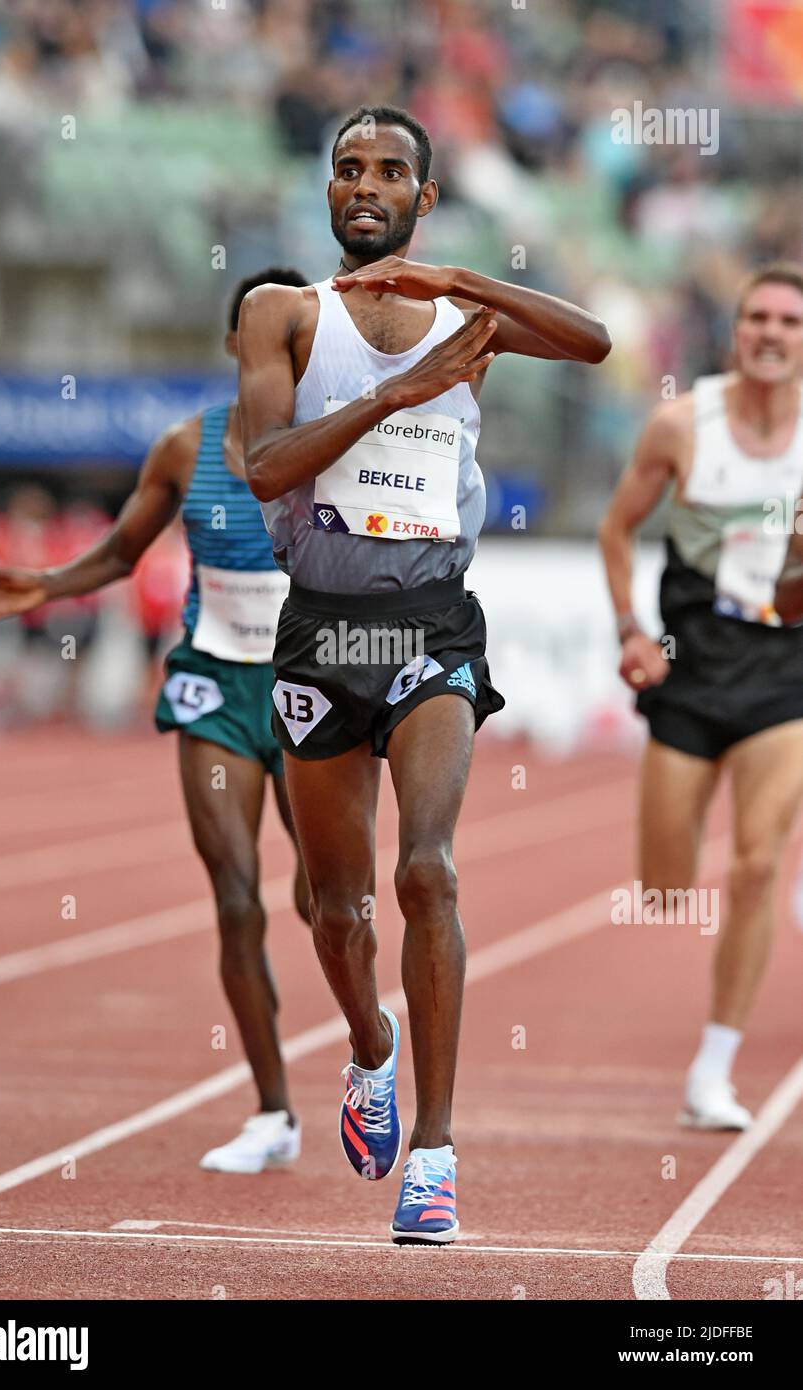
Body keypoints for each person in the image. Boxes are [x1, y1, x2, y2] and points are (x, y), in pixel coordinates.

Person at [238, 104, 610, 1243]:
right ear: (327, 186)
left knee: (427, 874)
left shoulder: (468, 314)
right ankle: (368, 1049)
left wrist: (467, 282)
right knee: (331, 906)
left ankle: (435, 1155)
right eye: (347, 167)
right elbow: (263, 468)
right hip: (320, 630)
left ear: (423, 194)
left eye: (390, 171)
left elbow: (592, 342)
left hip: (431, 624)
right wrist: (396, 392)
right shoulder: (283, 312)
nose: (365, 184)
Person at [0, 268, 313, 1173]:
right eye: (260, 329)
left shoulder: (332, 447)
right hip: (215, 687)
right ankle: (274, 1113)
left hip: (313, 689)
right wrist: (40, 583)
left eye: (294, 331)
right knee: (237, 900)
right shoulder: (181, 447)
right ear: (236, 345)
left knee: (328, 901)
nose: (277, 345)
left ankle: (370, 1043)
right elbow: (125, 551)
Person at [599, 262, 803, 1131]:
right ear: (736, 331)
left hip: (785, 665)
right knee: (667, 886)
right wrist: (630, 632)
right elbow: (615, 528)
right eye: (758, 317)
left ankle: (712, 1069)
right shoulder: (683, 423)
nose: (770, 332)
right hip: (689, 658)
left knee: (756, 865)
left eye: (790, 323)